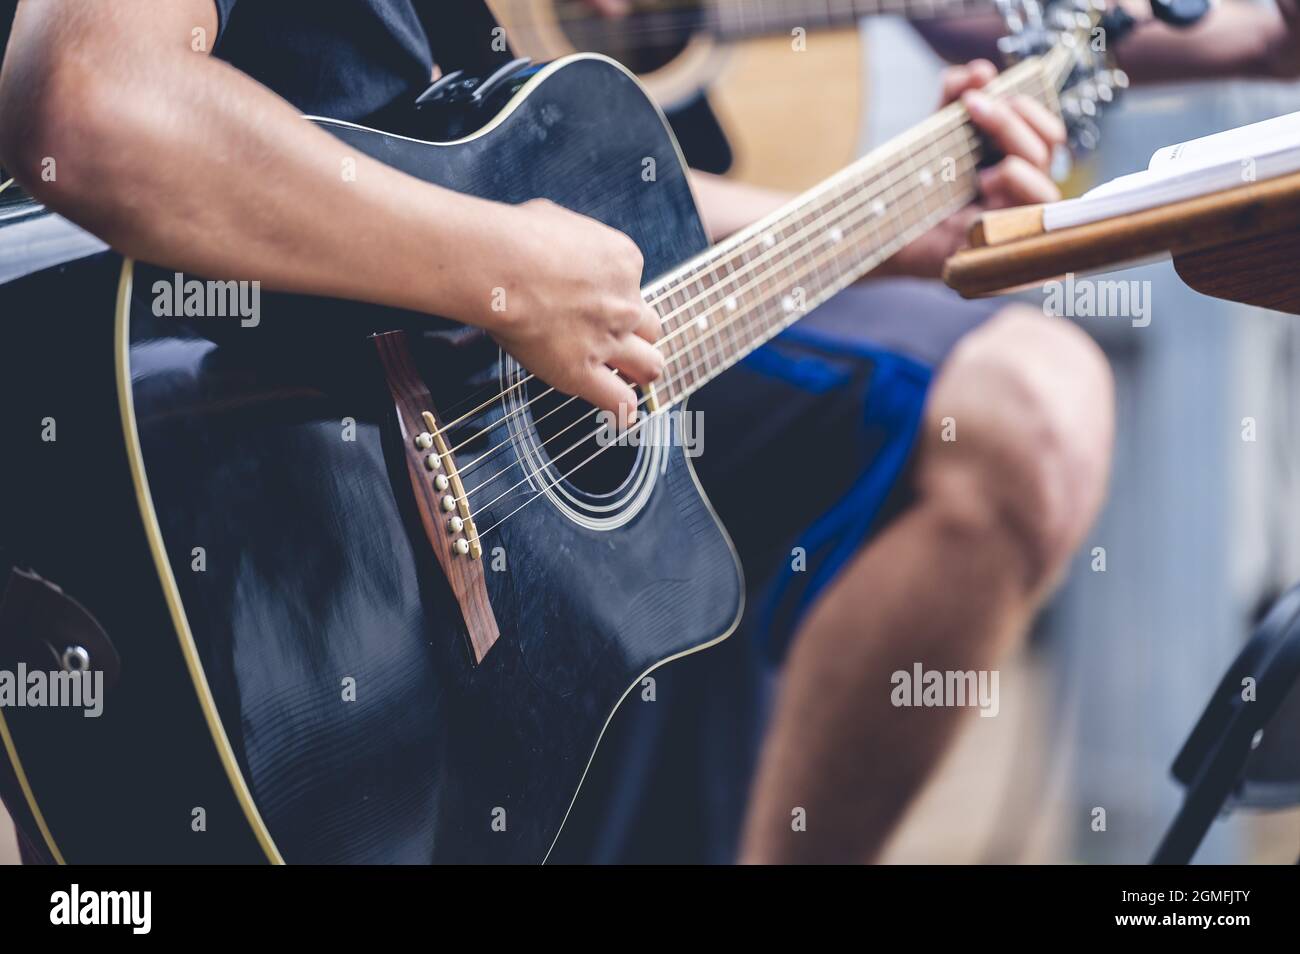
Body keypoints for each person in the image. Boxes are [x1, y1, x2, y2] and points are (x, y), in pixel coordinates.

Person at [0, 0, 1097, 864]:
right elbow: (98, 106)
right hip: (244, 467)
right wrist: (505, 276)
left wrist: (895, 225)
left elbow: (502, 170)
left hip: (445, 476)